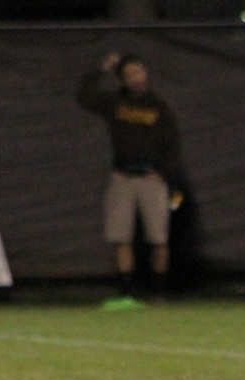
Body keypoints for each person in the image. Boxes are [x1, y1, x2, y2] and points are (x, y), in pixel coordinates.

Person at [78, 52, 182, 306]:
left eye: (139, 72)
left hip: (151, 178)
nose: (136, 78)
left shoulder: (159, 107)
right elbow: (85, 96)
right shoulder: (116, 103)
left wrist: (166, 177)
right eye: (129, 75)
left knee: (158, 238)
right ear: (122, 80)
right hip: (122, 177)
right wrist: (101, 69)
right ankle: (127, 293)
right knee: (120, 236)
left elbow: (171, 145)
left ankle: (157, 293)